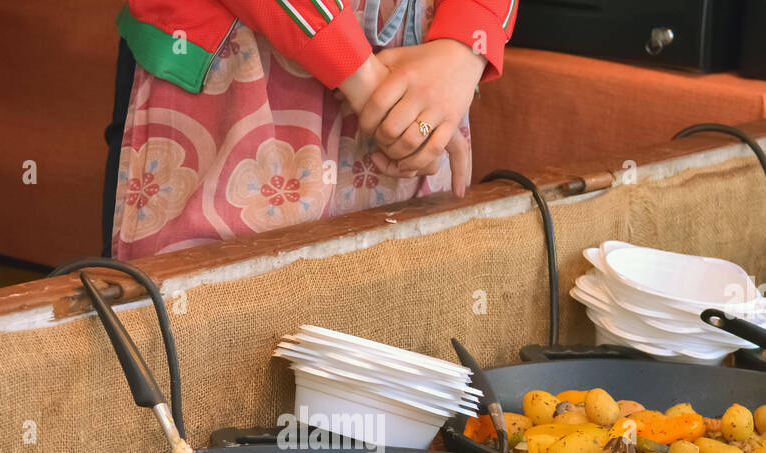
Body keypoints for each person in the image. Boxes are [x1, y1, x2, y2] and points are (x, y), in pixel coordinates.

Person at [105, 1, 519, 259]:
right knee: (207, 339)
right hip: (242, 77)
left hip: (421, 83)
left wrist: (464, 49)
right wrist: (363, 76)